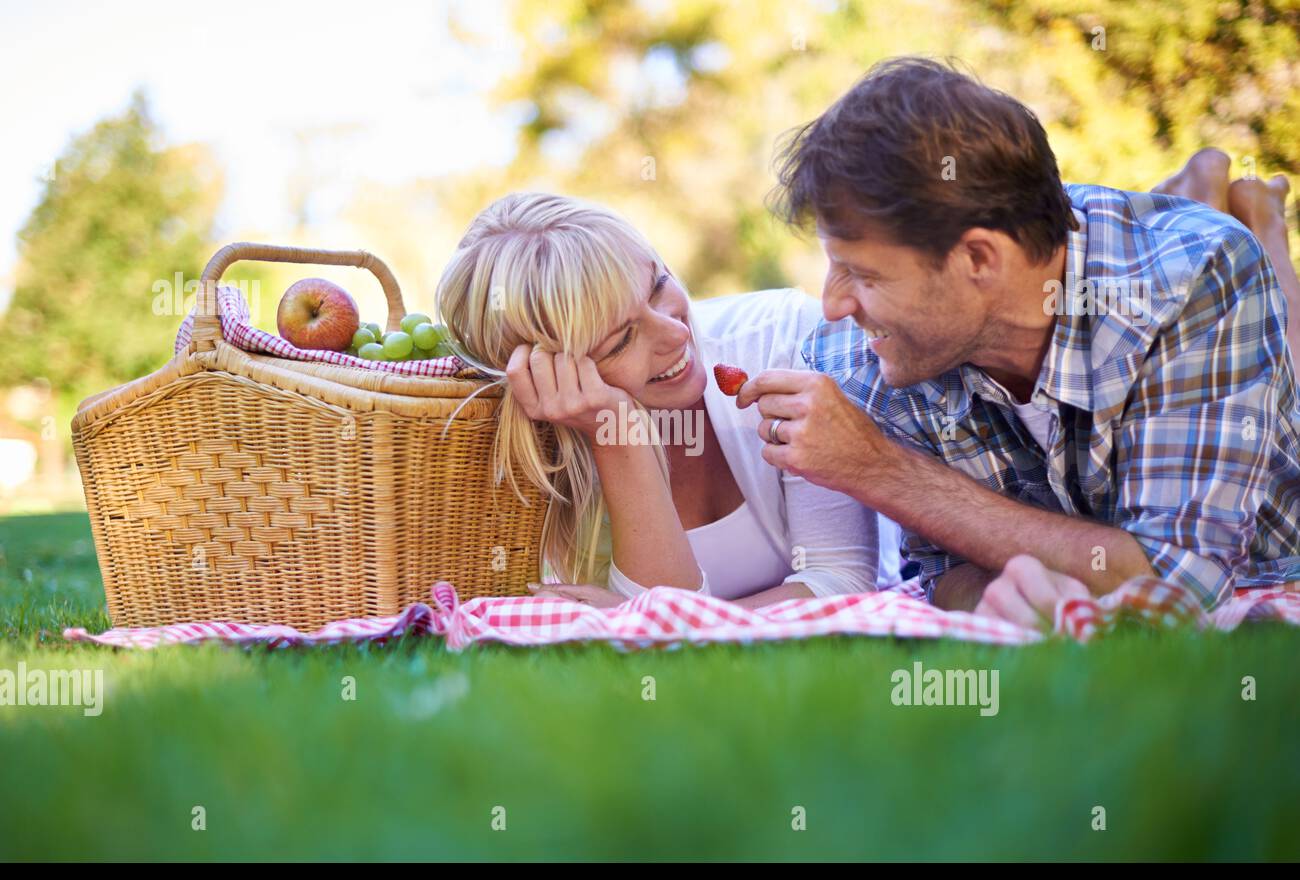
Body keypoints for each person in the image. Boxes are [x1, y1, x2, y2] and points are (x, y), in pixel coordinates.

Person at [738, 57, 1300, 627]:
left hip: (1273, 556)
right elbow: (946, 570)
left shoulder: (1190, 278)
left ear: (979, 258)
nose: (833, 305)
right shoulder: (864, 357)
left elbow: (1177, 583)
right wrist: (1006, 597)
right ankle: (1202, 191)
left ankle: (1261, 227)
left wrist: (880, 470)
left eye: (865, 276)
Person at [435, 192, 901, 607]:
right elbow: (662, 642)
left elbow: (841, 584)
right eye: (621, 341)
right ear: (550, 372)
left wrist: (641, 620)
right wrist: (615, 433)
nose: (677, 332)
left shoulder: (780, 341)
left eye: (658, 287)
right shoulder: (537, 457)